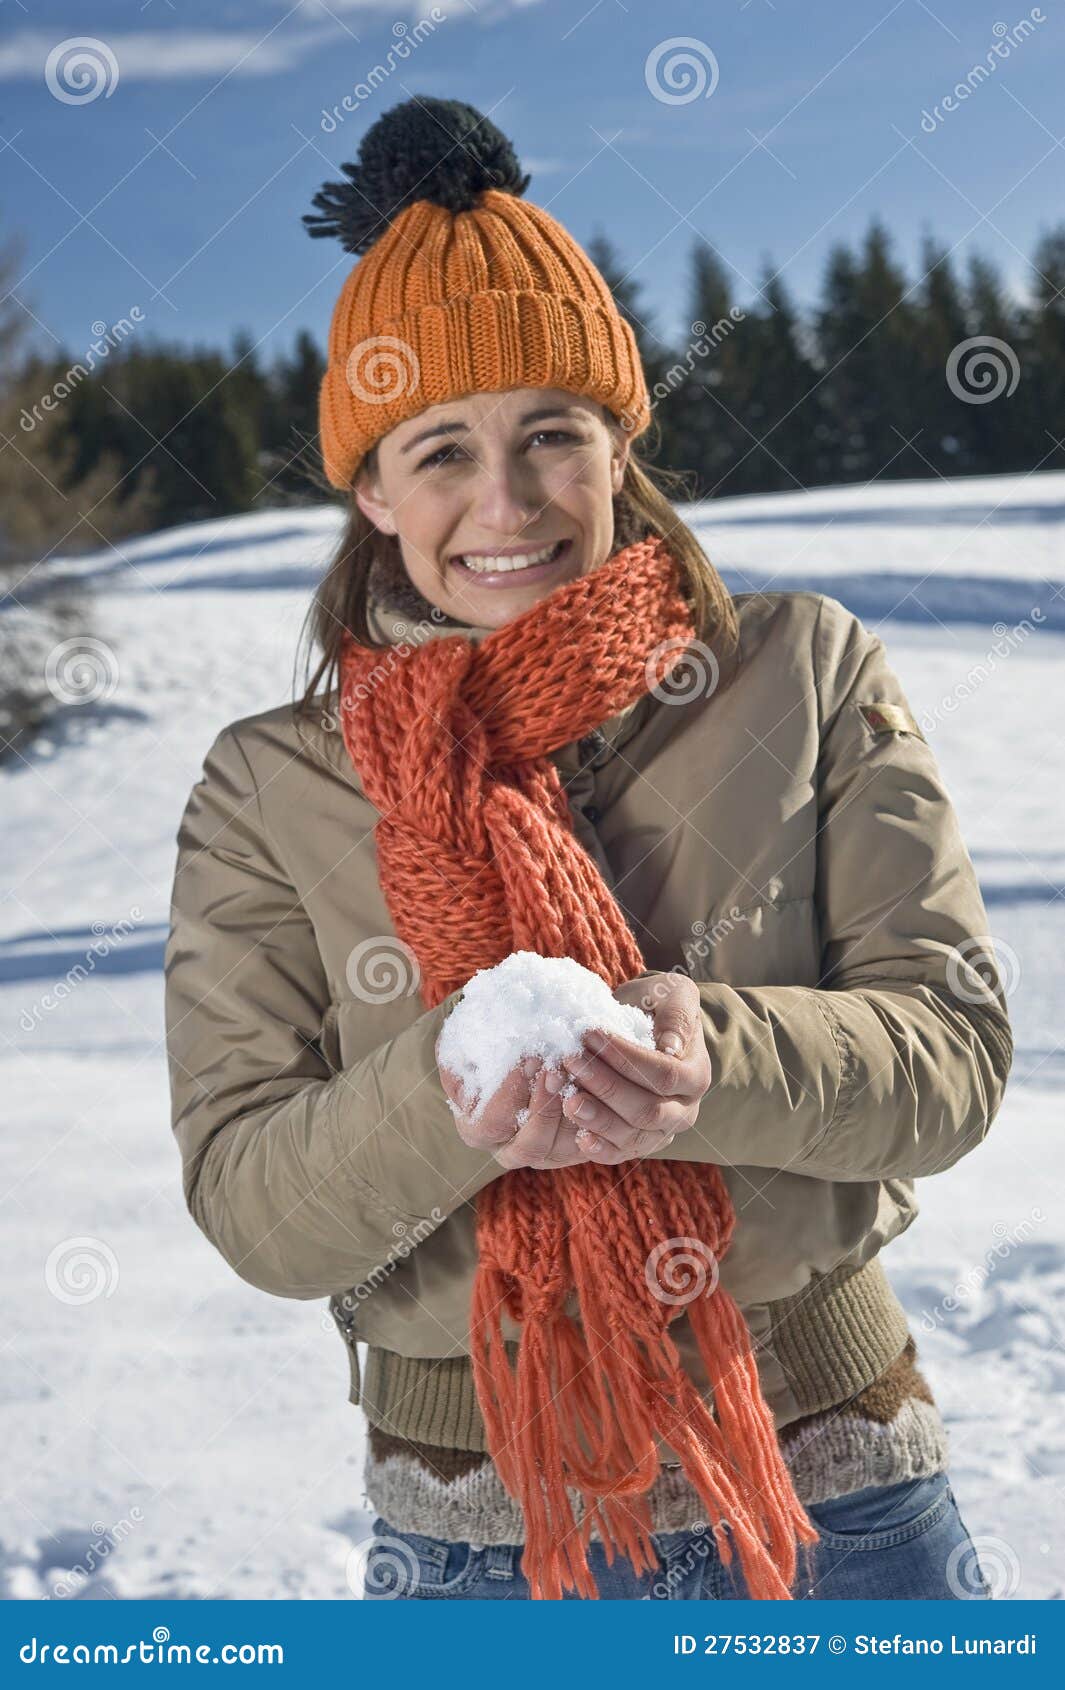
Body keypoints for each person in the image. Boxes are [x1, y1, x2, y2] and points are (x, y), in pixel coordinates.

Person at [163, 96, 1012, 1602]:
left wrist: (720, 1064)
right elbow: (252, 1201)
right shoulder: (268, 787)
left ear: (619, 440)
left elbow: (950, 1053)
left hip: (836, 1495)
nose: (504, 503)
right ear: (368, 491)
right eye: (438, 451)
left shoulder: (796, 673)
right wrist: (441, 1097)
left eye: (550, 433)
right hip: (476, 1538)